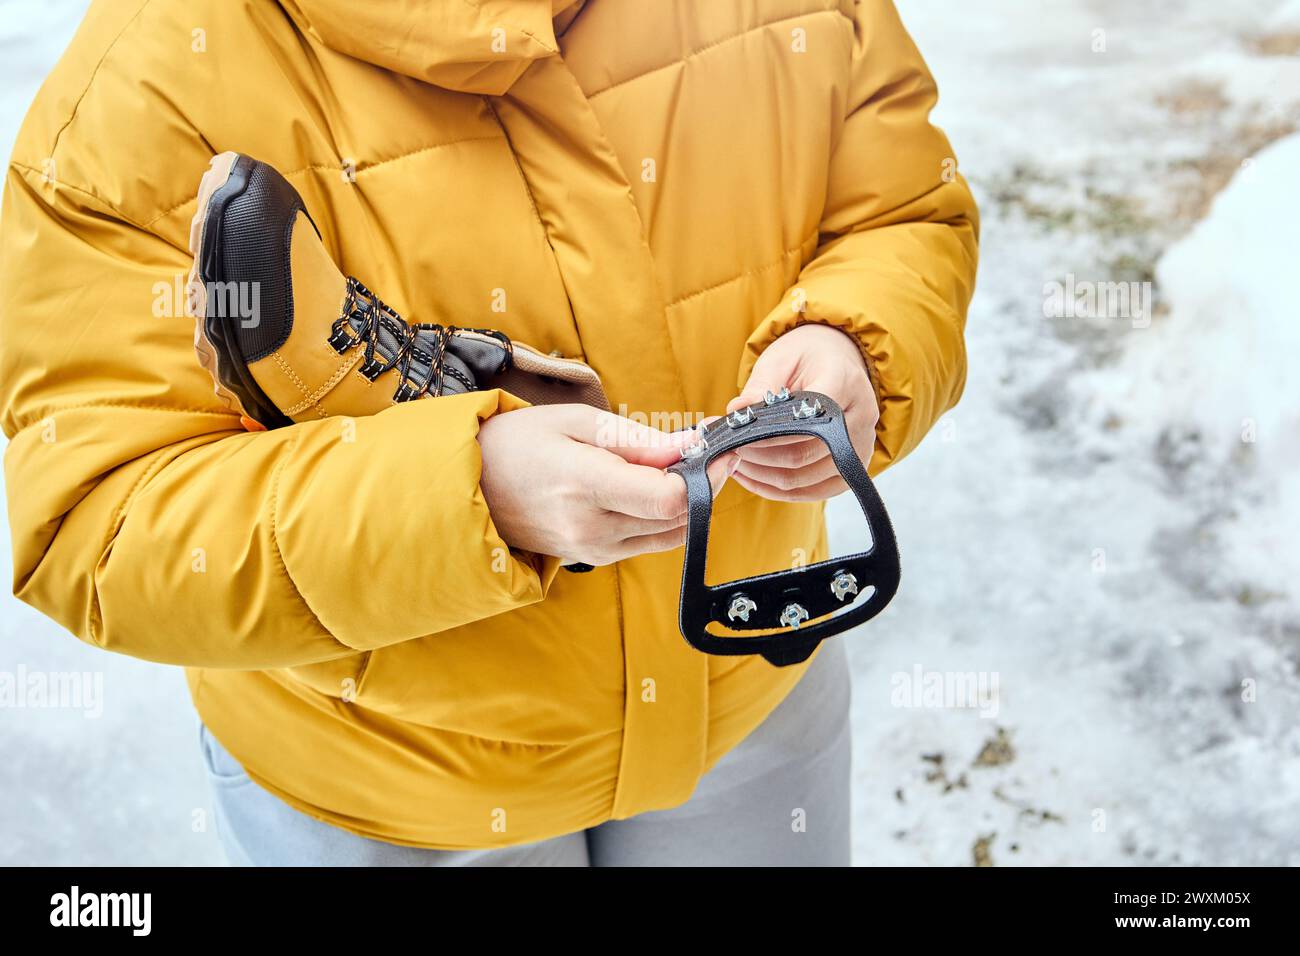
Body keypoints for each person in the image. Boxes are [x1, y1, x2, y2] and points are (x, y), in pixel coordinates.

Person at [0, 0, 978, 866]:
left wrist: (853, 336)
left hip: (757, 700)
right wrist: (466, 495)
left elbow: (901, 211)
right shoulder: (144, 85)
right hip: (391, 796)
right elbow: (97, 520)